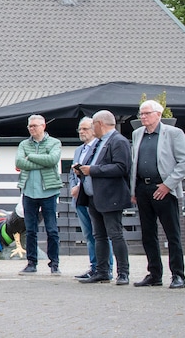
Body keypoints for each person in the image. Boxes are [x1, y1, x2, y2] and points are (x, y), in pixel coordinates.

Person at [129, 99, 185, 289]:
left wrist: (167, 185)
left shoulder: (173, 133)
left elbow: (184, 162)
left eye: (147, 113)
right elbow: (134, 162)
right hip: (143, 189)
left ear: (158, 114)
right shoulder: (137, 133)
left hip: (164, 189)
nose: (143, 117)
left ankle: (178, 275)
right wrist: (133, 190)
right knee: (148, 234)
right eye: (141, 113)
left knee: (173, 234)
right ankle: (154, 274)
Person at [76, 110, 132, 285]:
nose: (92, 128)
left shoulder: (119, 141)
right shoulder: (99, 143)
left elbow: (121, 167)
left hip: (111, 196)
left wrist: (92, 170)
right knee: (98, 235)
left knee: (115, 234)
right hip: (94, 196)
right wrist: (82, 171)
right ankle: (102, 271)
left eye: (93, 124)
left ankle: (123, 273)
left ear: (100, 124)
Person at [15, 114, 63, 274]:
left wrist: (32, 157)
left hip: (48, 191)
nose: (32, 128)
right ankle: (31, 263)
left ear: (43, 126)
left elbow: (53, 160)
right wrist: (41, 161)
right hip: (29, 191)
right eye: (30, 126)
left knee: (52, 229)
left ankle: (54, 263)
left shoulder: (55, 142)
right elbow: (19, 162)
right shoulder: (23, 144)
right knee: (30, 229)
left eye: (35, 125)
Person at [68, 117, 111, 280]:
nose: (81, 132)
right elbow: (74, 172)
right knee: (88, 234)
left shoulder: (100, 148)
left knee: (100, 234)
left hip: (94, 196)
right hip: (79, 198)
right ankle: (94, 267)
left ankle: (107, 267)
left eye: (85, 129)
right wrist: (74, 186)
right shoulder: (78, 150)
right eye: (79, 129)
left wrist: (82, 186)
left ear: (94, 129)